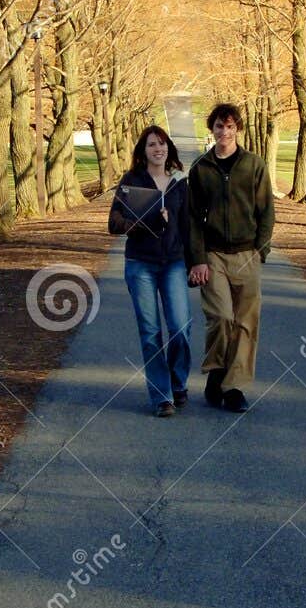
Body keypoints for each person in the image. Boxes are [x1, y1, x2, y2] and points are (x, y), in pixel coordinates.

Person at [187, 102, 275, 414]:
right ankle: (216, 371)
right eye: (219, 127)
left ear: (237, 128)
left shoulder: (254, 165)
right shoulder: (201, 169)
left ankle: (234, 387)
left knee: (246, 322)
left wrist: (260, 250)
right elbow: (193, 218)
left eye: (230, 126)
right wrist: (197, 259)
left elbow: (266, 210)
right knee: (222, 317)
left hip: (247, 254)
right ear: (211, 130)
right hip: (213, 255)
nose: (224, 132)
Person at [108, 126, 192, 418]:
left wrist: (197, 263)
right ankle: (162, 397)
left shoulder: (180, 182)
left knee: (180, 327)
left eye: (162, 144)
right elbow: (114, 224)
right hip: (140, 264)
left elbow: (188, 228)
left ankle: (178, 382)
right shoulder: (131, 181)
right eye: (152, 145)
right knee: (150, 332)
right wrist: (146, 219)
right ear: (143, 151)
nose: (158, 149)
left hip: (174, 263)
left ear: (169, 148)